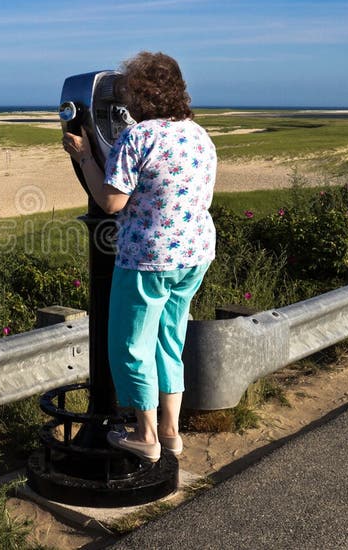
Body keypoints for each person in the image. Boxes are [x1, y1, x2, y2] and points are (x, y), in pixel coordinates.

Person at [62, 51, 217, 462]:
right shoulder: (198, 134)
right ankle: (170, 431)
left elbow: (111, 201)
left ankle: (144, 436)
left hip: (149, 258)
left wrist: (83, 154)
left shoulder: (138, 137)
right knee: (170, 339)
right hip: (194, 254)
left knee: (130, 345)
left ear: (140, 95)